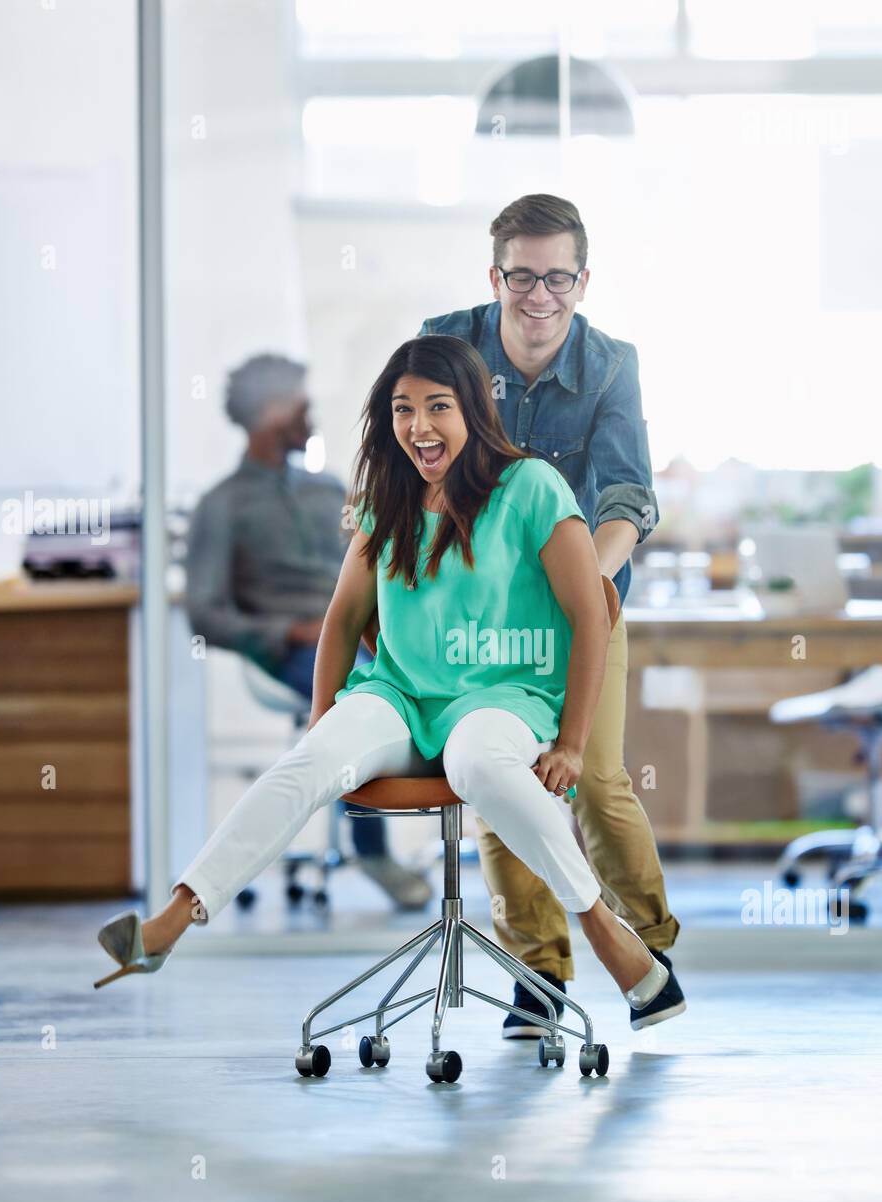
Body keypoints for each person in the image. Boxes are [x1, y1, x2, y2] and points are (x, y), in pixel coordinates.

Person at [94, 335, 678, 1030]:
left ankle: (605, 931)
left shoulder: (531, 489)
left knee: (475, 761)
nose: (418, 427)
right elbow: (343, 620)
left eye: (437, 407)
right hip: (401, 696)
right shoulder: (387, 499)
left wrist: (573, 744)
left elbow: (590, 616)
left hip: (504, 698)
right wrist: (324, 720)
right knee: (308, 761)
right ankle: (169, 923)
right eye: (403, 410)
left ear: (473, 412)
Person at [419, 193, 684, 1033]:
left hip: (584, 605)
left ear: (583, 279)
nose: (540, 296)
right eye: (523, 277)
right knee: (506, 781)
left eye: (558, 278)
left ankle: (646, 946)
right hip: (483, 610)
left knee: (596, 780)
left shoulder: (610, 364)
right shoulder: (447, 344)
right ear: (495, 275)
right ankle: (539, 973)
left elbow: (626, 492)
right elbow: (414, 459)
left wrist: (588, 579)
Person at [184, 352, 430, 910]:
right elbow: (205, 613)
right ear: (273, 414)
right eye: (302, 406)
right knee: (366, 698)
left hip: (367, 630)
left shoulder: (328, 491)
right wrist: (285, 630)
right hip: (292, 649)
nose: (311, 416)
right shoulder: (220, 507)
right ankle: (372, 851)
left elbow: (374, 564)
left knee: (415, 677)